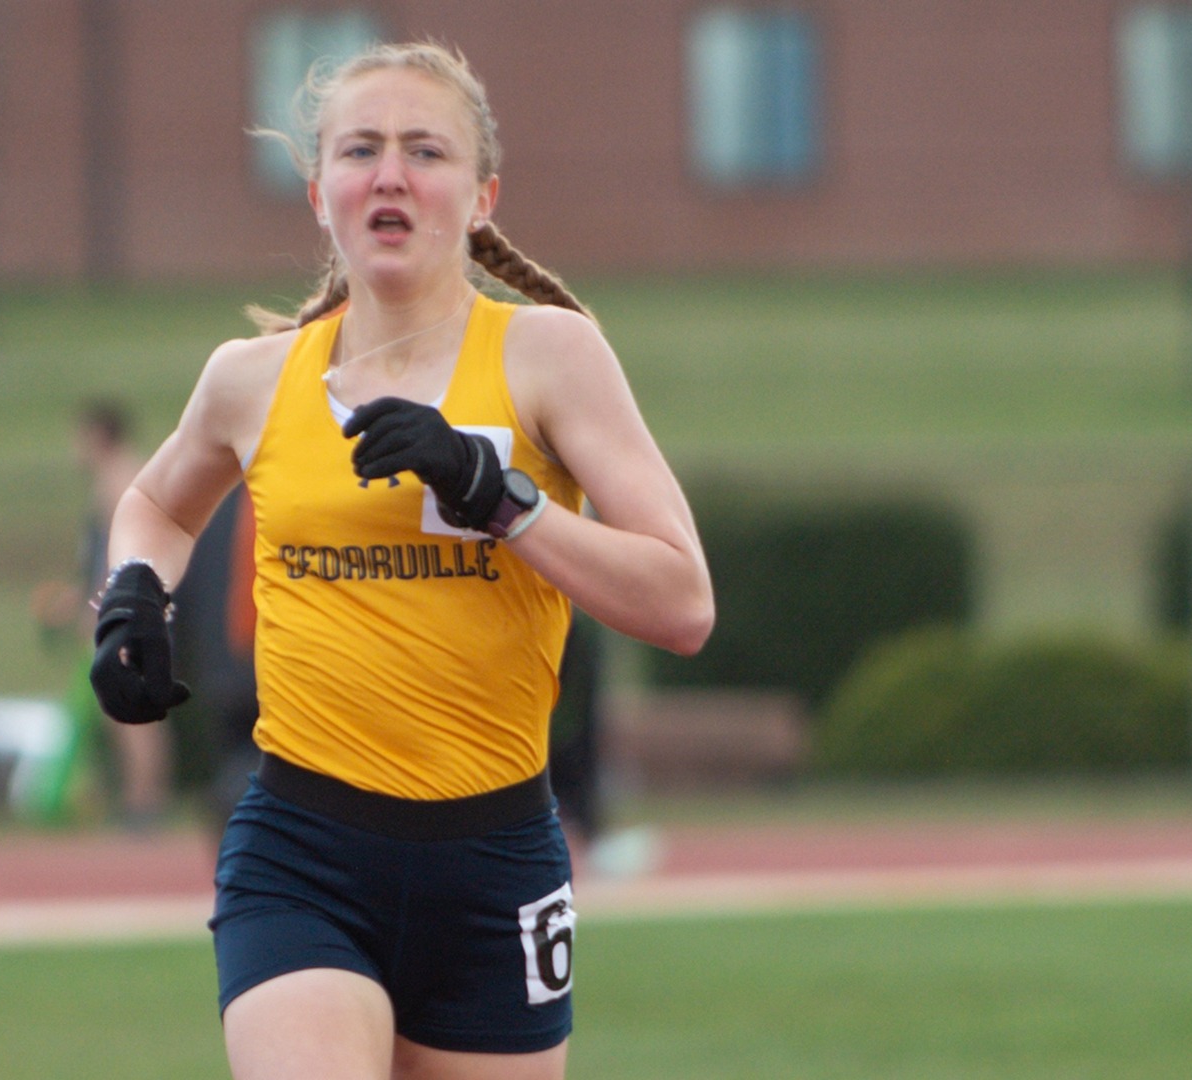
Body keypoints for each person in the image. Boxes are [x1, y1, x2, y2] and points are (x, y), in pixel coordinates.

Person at [86, 43, 713, 1079]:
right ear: (318, 193)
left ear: (480, 196)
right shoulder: (251, 380)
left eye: (425, 152)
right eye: (360, 150)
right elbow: (155, 501)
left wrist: (495, 496)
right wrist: (134, 592)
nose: (389, 175)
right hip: (304, 848)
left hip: (496, 860)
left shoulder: (549, 356)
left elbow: (683, 603)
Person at [32, 399, 173, 826]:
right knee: (127, 708)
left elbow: (120, 556)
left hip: (129, 606)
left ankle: (144, 803)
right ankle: (141, 799)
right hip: (131, 601)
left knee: (133, 711)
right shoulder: (125, 474)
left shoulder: (117, 479)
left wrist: (99, 606)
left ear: (99, 435)